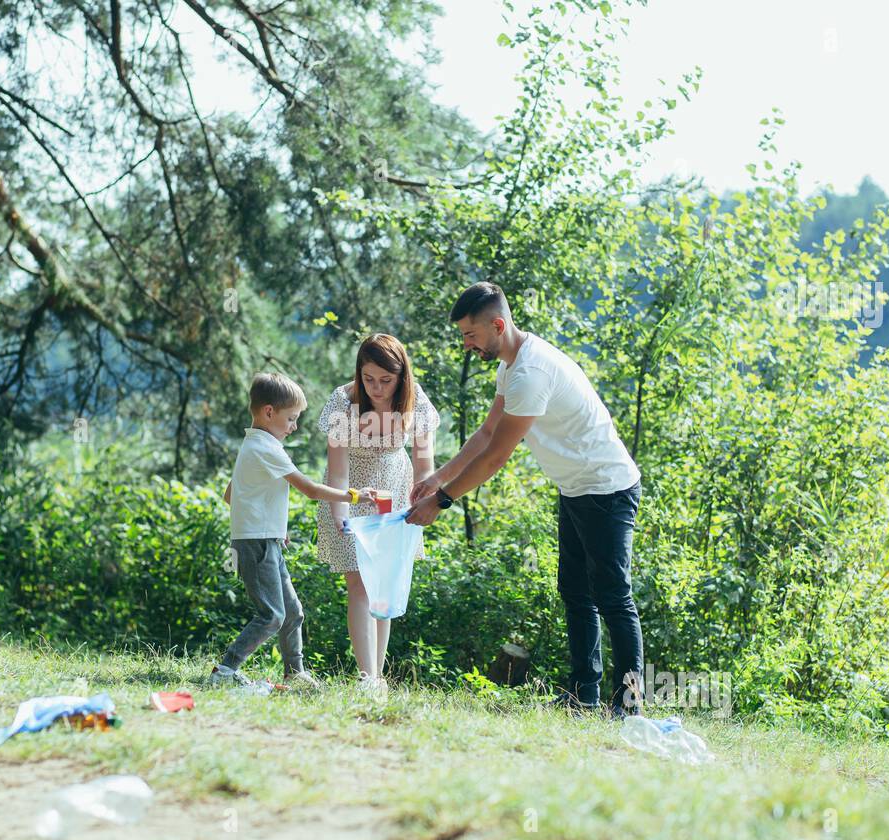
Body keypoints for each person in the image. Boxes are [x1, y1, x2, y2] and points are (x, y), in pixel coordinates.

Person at [408, 282, 645, 717]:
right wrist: (438, 476)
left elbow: (496, 456)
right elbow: (486, 433)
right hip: (576, 489)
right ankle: (583, 696)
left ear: (498, 325)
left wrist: (441, 500)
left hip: (607, 489)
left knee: (613, 598)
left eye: (470, 335)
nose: (466, 344)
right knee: (576, 593)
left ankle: (628, 708)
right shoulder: (511, 365)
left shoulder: (531, 373)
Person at [214, 372, 377, 689]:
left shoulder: (253, 444)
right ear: (269, 412)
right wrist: (353, 496)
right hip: (257, 544)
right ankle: (225, 670)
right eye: (291, 419)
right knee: (272, 616)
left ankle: (294, 672)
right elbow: (311, 490)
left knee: (292, 612)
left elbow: (231, 494)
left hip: (265, 539)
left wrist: (273, 526)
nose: (294, 426)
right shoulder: (267, 448)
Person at [315, 334, 440, 695]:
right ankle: (365, 676)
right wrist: (340, 513)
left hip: (395, 490)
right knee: (359, 582)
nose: (377, 388)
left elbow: (424, 465)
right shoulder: (343, 401)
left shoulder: (415, 402)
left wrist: (420, 504)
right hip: (351, 490)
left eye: (386, 380)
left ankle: (378, 676)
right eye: (368, 379)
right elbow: (337, 470)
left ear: (402, 377)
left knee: (384, 582)